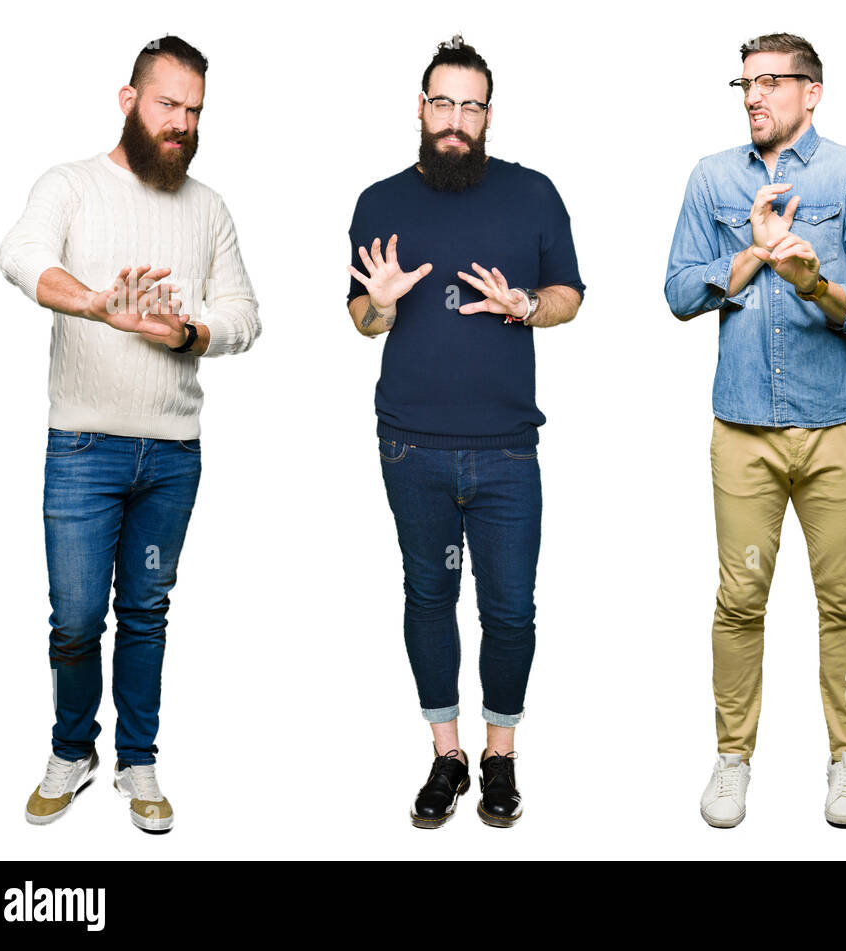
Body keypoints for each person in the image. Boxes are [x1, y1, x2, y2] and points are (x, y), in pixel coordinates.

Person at [0, 35, 261, 834]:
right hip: (82, 451)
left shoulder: (209, 207)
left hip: (171, 457)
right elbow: (20, 256)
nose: (181, 123)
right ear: (128, 99)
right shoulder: (70, 186)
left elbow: (246, 316)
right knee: (76, 617)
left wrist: (185, 334)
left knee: (145, 610)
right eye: (167, 104)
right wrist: (97, 306)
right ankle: (71, 750)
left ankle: (137, 760)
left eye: (194, 111)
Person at [345, 35, 584, 829]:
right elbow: (361, 322)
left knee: (511, 609)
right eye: (442, 103)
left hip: (509, 447)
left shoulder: (534, 193)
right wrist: (379, 301)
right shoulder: (379, 202)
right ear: (420, 108)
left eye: (471, 105)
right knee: (429, 593)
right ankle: (446, 753)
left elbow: (569, 295)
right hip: (410, 445)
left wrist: (526, 306)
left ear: (488, 114)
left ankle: (500, 754)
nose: (455, 119)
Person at [665, 33, 846, 829]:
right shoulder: (712, 178)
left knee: (844, 600)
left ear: (813, 91)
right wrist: (752, 260)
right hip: (743, 433)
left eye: (770, 82)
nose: (754, 96)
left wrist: (812, 281)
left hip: (835, 428)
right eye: (745, 83)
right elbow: (676, 290)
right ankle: (733, 758)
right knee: (739, 600)